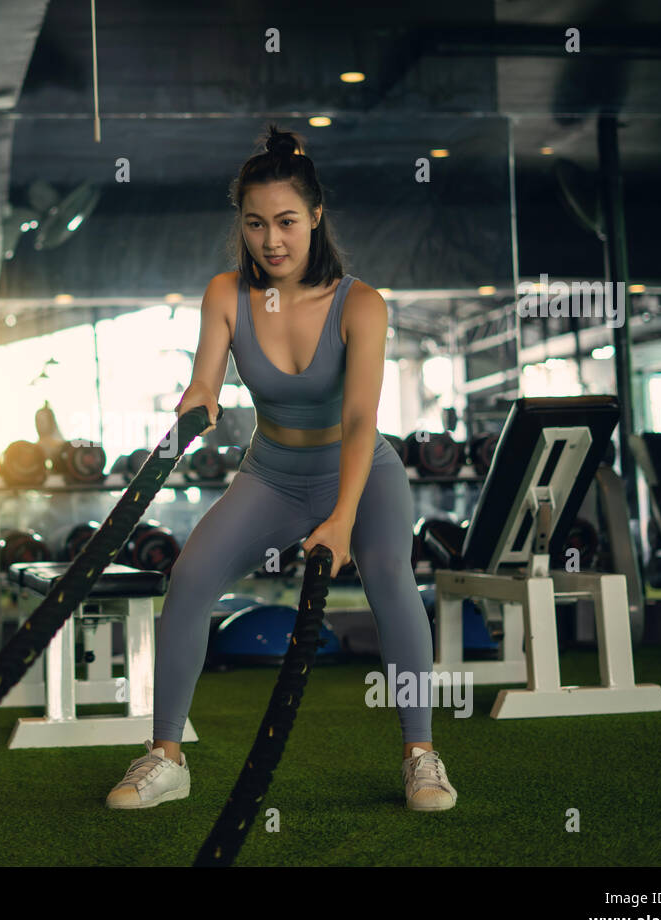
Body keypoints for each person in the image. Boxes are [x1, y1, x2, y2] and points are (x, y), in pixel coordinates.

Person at [106, 124, 457, 812]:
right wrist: (197, 403)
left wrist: (342, 519)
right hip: (271, 474)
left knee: (390, 574)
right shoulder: (225, 295)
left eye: (287, 222)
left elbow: (359, 422)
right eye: (256, 223)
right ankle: (165, 755)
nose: (272, 240)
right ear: (241, 223)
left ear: (316, 216)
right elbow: (204, 383)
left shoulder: (361, 304)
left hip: (362, 473)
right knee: (191, 577)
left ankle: (422, 755)